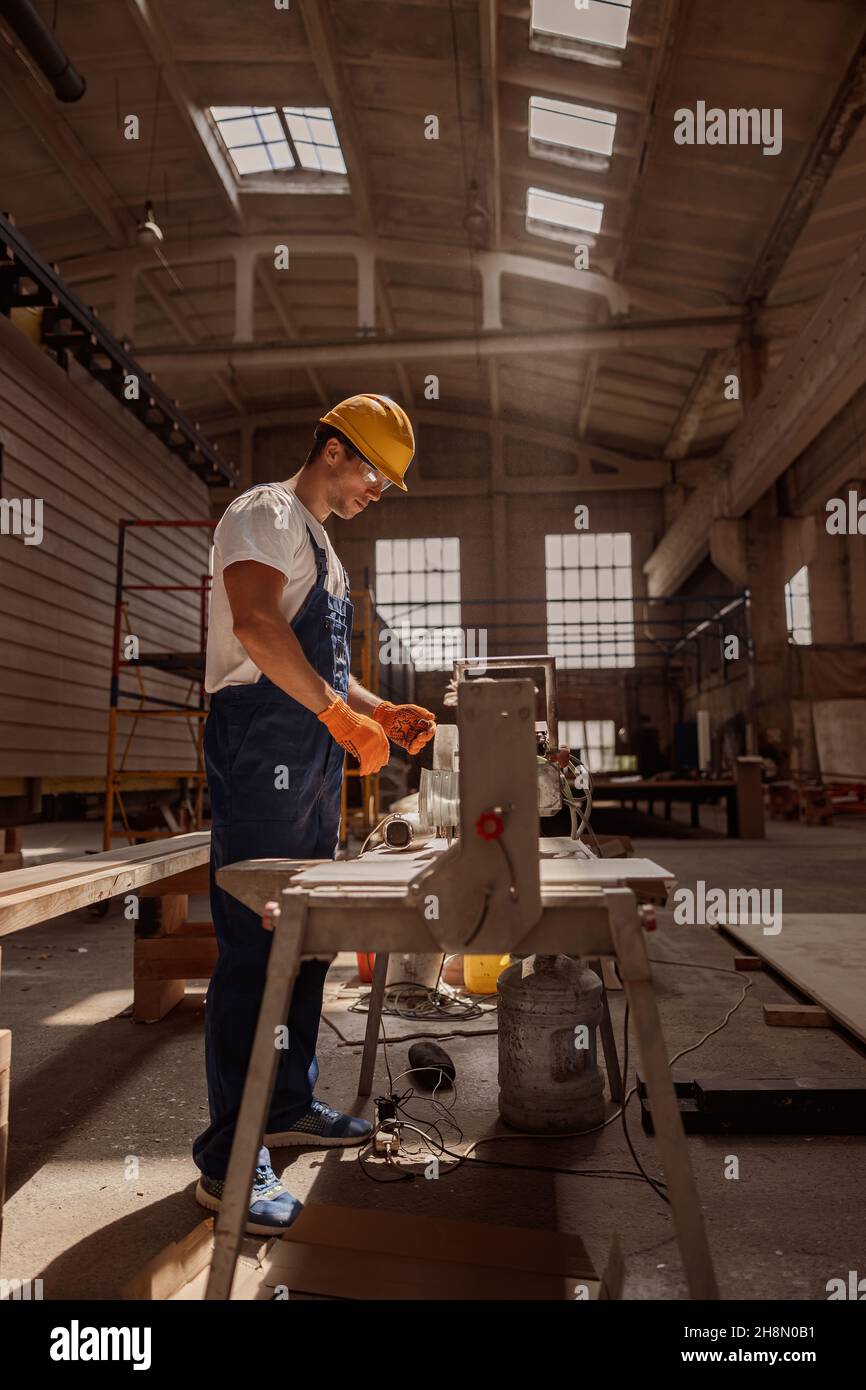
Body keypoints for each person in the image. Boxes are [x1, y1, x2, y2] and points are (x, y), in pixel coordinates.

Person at [193, 394, 436, 1233]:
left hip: (309, 757)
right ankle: (228, 1159)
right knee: (253, 952)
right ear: (332, 449)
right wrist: (339, 718)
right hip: (263, 746)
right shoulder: (265, 513)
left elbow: (317, 657)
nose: (379, 489)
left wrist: (382, 708)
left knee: (304, 942)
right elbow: (258, 627)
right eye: (374, 470)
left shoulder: (324, 550)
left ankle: (287, 1102)